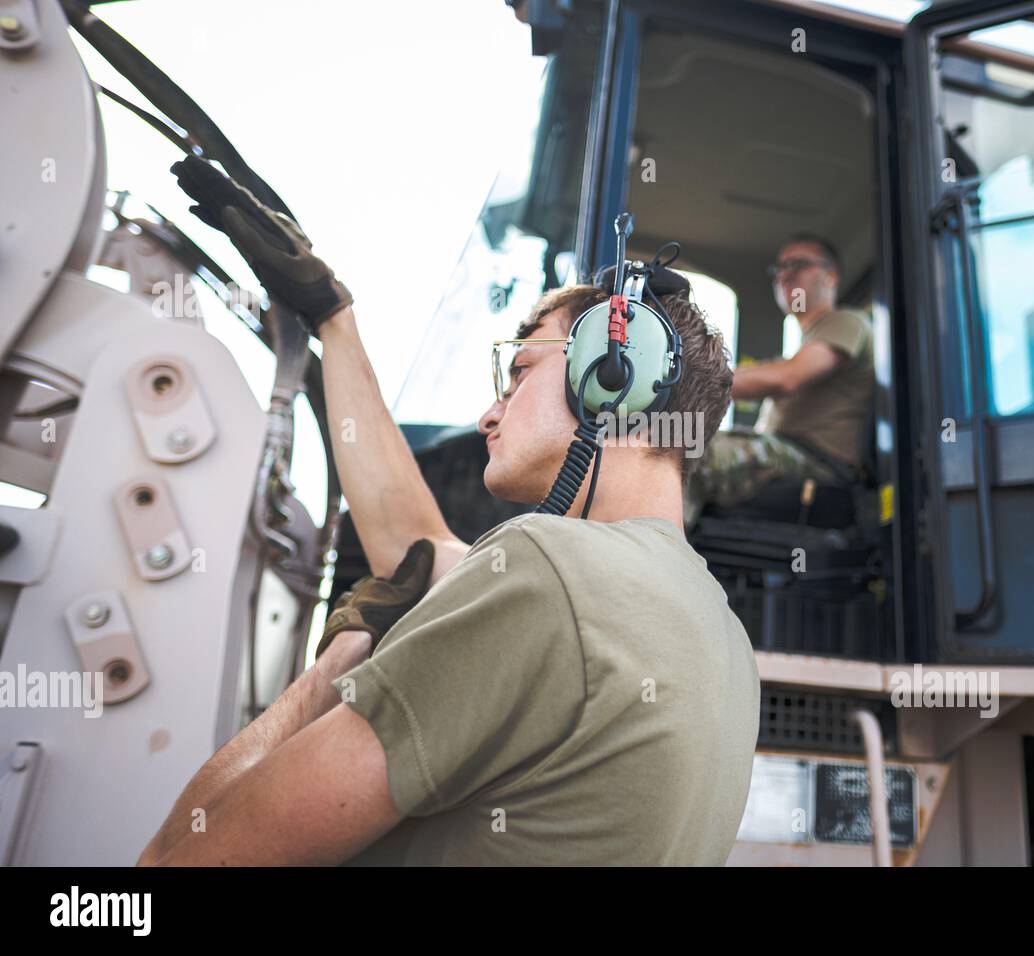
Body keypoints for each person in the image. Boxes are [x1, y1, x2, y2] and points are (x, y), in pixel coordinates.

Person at [136, 157, 760, 866]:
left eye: (519, 373)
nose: (488, 415)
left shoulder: (551, 573)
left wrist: (337, 665)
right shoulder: (718, 638)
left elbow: (179, 860)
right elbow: (422, 550)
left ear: (611, 375)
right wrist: (334, 322)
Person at [683, 234, 874, 529]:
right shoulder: (803, 345)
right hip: (787, 455)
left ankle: (655, 562)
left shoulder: (846, 322)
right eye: (779, 268)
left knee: (688, 451)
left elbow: (786, 379)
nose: (785, 274)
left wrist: (691, 379)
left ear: (831, 276)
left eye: (798, 265)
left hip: (819, 464)